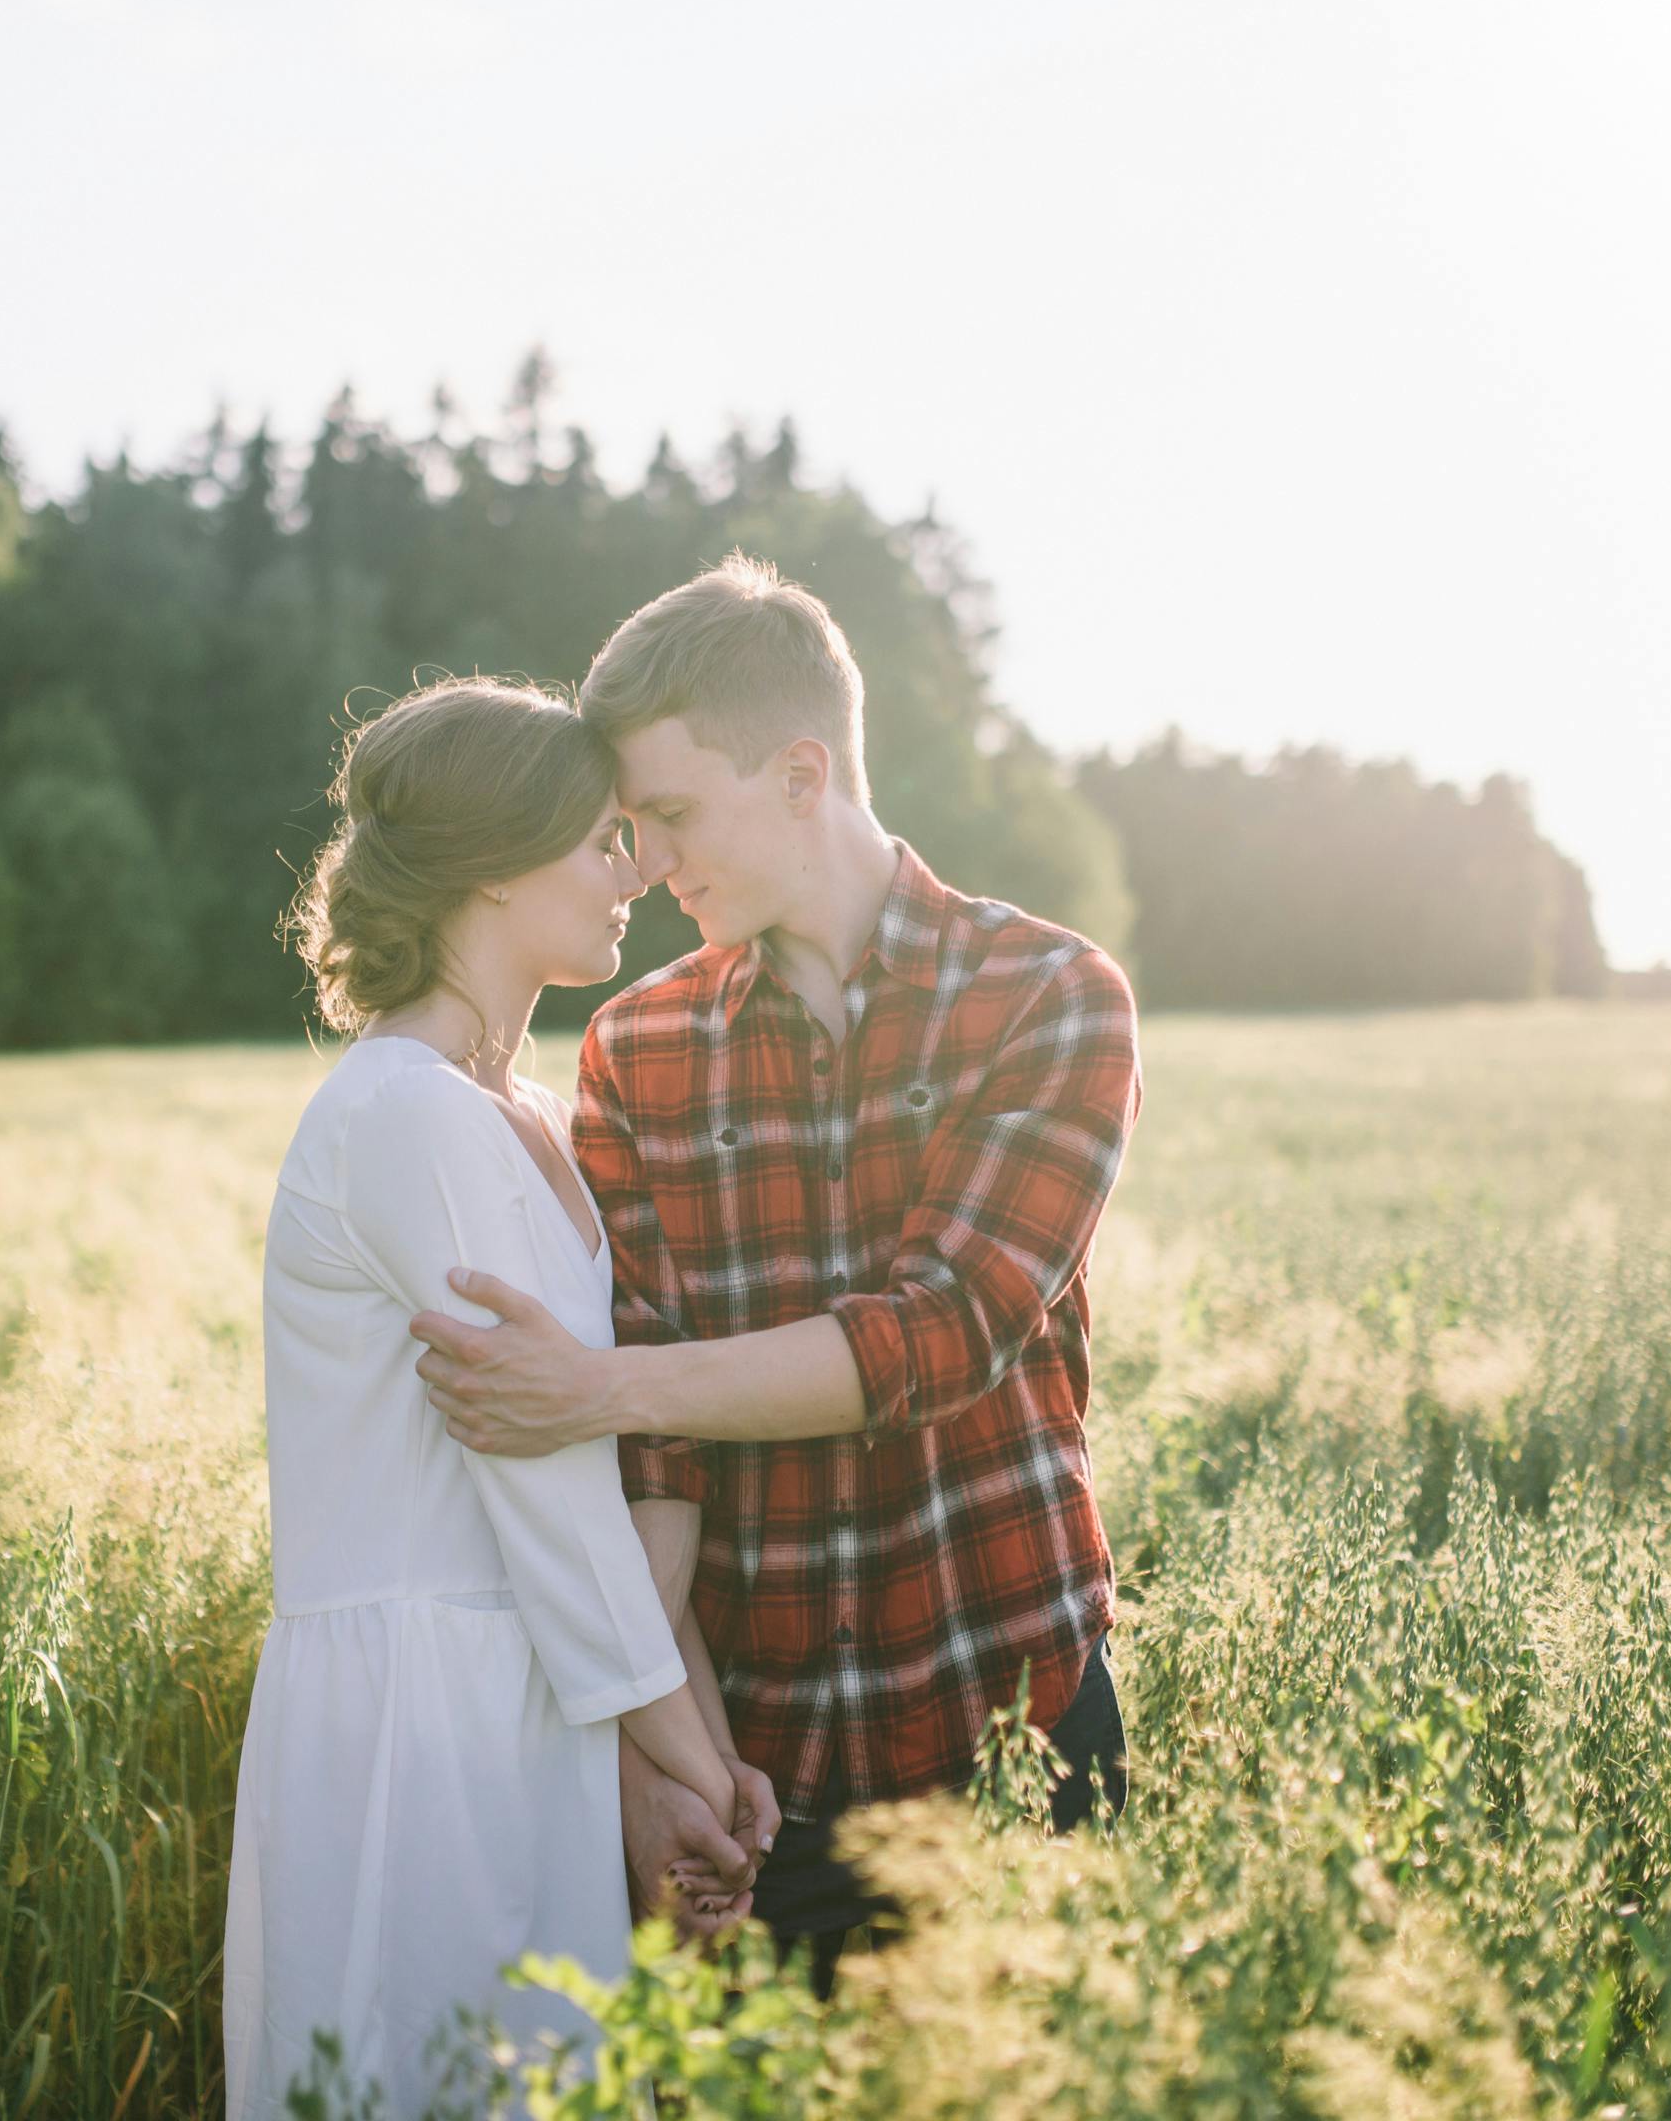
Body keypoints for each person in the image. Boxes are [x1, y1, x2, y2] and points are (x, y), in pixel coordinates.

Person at [411, 557, 1143, 1984]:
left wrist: (588, 1387)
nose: (643, 863)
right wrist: (668, 1758)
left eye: (672, 816)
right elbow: (659, 1461)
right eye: (626, 828)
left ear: (803, 772)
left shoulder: (1052, 999)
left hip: (1016, 1717)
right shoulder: (639, 1046)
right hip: (762, 1762)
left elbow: (942, 1335)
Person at [221, 677, 770, 2120]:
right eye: (599, 841)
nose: (637, 871)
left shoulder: (523, 1114)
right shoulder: (403, 1110)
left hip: (537, 1690)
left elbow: (595, 1460)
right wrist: (689, 1765)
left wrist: (678, 1758)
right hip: (418, 1713)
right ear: (485, 866)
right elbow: (532, 1487)